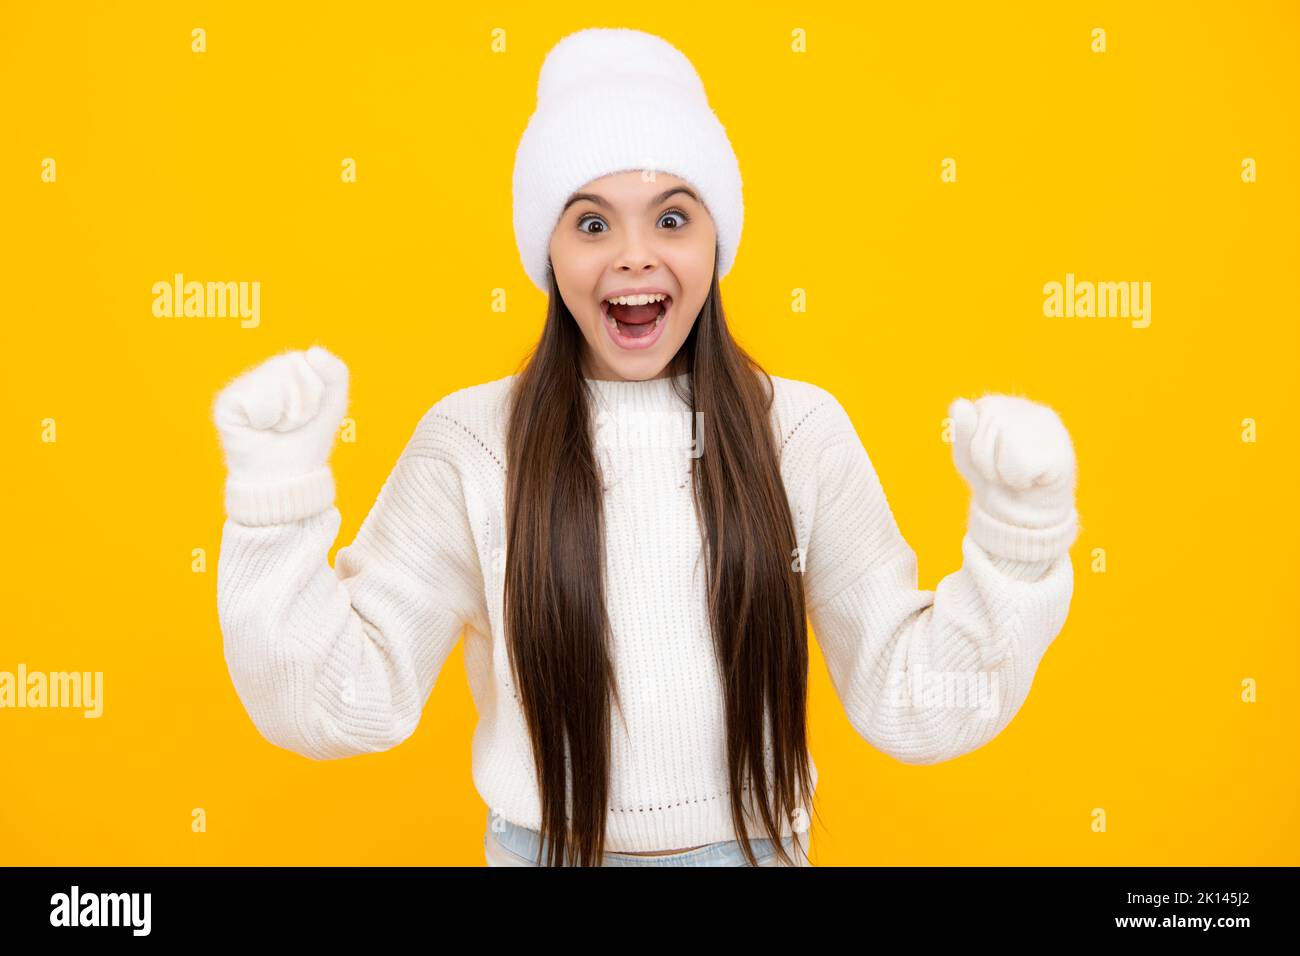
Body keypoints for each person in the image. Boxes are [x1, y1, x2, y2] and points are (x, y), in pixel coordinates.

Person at [211, 27, 1080, 867]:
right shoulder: (472, 444)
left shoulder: (800, 434)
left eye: (671, 218)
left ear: (716, 242)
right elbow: (344, 700)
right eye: (592, 225)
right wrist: (274, 502)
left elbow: (911, 702)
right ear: (547, 250)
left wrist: (1017, 541)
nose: (634, 257)